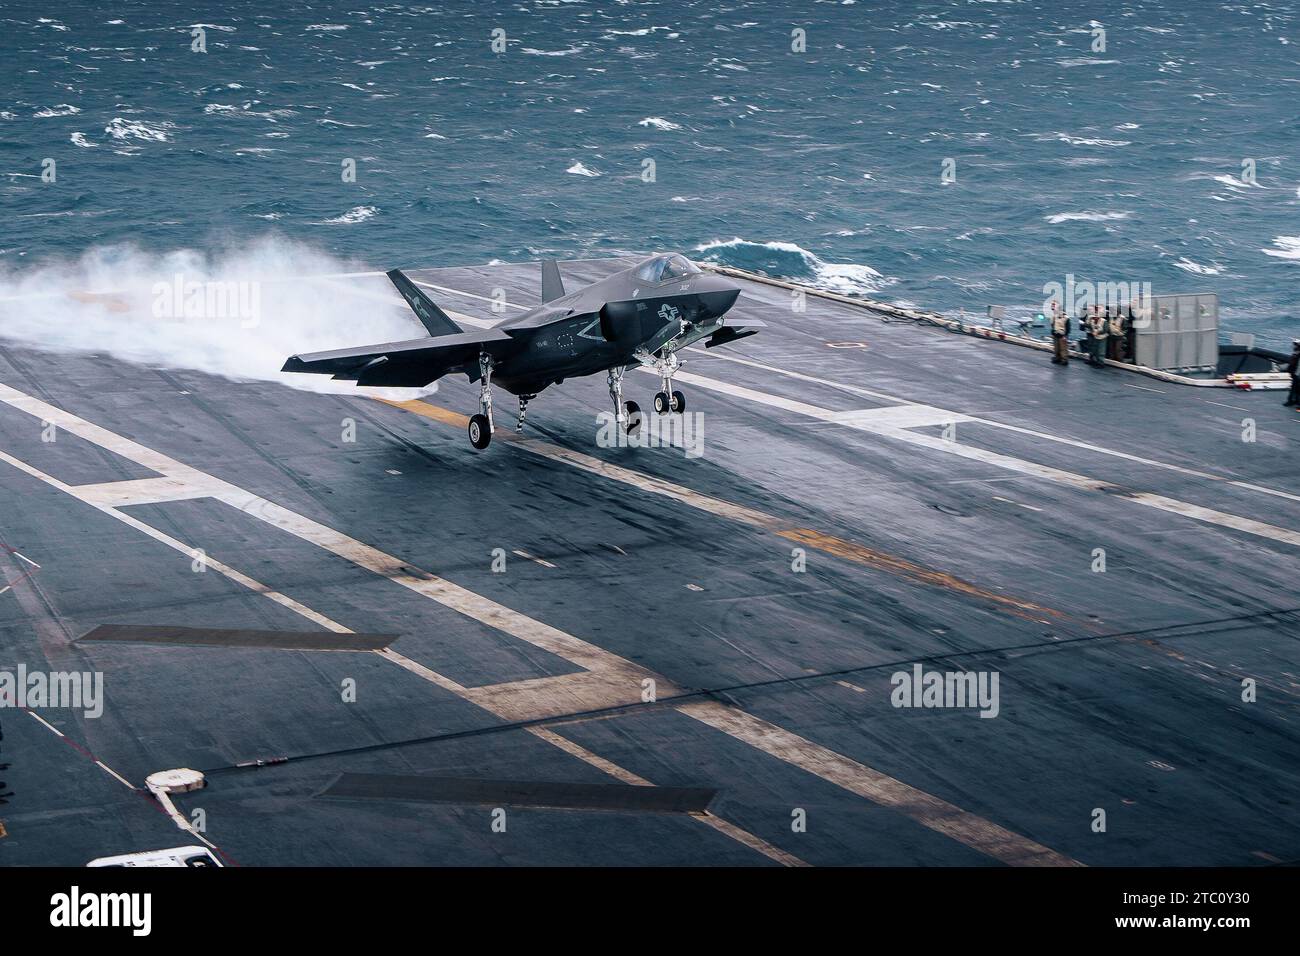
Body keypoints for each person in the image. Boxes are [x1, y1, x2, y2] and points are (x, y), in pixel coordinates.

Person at [1049, 301, 1071, 365]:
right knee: (1056, 347)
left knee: (1063, 348)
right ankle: (1057, 358)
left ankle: (1064, 360)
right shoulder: (1055, 316)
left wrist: (1065, 336)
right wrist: (1053, 332)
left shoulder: (1066, 318)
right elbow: (1053, 324)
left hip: (1062, 335)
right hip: (1056, 333)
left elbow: (1068, 328)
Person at [1285, 340, 1300, 407]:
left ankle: (1294, 401)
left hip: (1297, 374)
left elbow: (1292, 364)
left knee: (1296, 389)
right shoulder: (1296, 354)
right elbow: (1292, 364)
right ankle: (1292, 401)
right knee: (1294, 388)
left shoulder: (1296, 354)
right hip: (1296, 373)